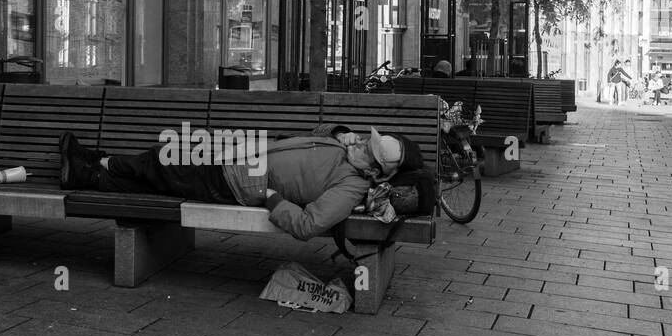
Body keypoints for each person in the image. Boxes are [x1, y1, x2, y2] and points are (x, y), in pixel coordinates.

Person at [58, 123, 423, 241]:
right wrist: (340, 132)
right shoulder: (344, 149)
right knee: (159, 179)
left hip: (236, 182)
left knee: (163, 158)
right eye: (363, 138)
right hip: (238, 157)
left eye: (366, 146)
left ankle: (97, 162)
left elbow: (310, 224)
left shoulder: (351, 186)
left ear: (376, 170)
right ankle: (89, 173)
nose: (360, 141)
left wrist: (270, 197)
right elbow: (318, 132)